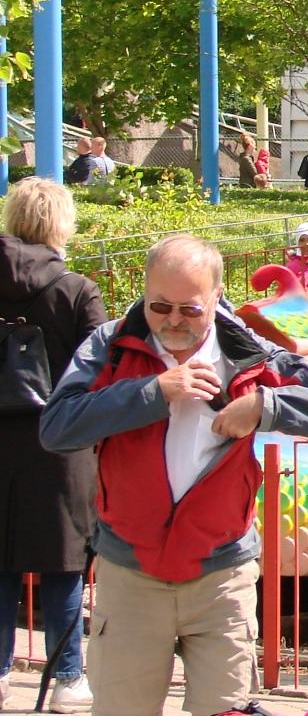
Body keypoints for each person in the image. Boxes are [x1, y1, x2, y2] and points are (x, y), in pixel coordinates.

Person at [38, 234, 308, 716]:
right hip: (131, 572)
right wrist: (152, 392)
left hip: (220, 573)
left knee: (225, 709)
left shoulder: (249, 349)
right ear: (145, 293)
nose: (172, 320)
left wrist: (265, 405)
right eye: (160, 306)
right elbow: (57, 428)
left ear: (215, 296)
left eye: (189, 309)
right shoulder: (110, 345)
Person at [0, 179, 108, 712]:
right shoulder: (75, 289)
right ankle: (67, 678)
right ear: (61, 223)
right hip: (61, 444)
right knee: (64, 566)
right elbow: (103, 370)